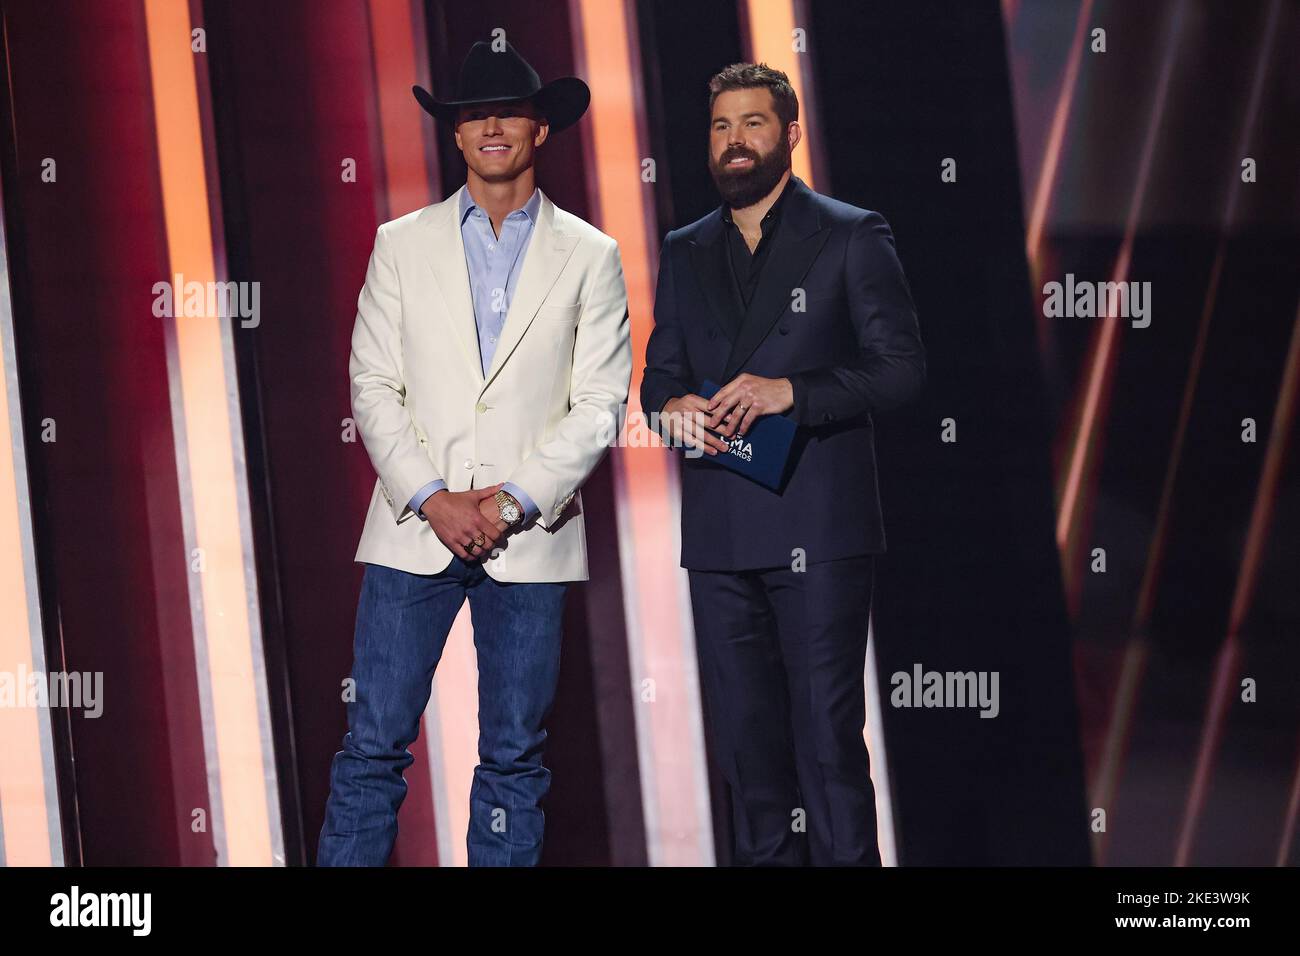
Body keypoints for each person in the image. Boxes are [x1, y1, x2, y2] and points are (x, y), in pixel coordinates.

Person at [317, 40, 631, 866]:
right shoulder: (400, 244)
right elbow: (372, 385)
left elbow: (600, 402)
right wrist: (433, 497)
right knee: (372, 749)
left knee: (514, 759)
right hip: (414, 529)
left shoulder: (592, 254)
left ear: (540, 129)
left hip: (529, 536)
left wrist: (509, 501)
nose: (491, 126)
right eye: (472, 115)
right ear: (455, 136)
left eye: (507, 113)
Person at [641, 62, 926, 865]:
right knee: (747, 752)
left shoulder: (850, 233)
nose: (735, 142)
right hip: (722, 531)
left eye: (753, 124)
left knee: (826, 739)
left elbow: (900, 369)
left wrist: (790, 392)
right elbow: (660, 376)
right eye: (721, 126)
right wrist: (669, 411)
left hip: (818, 523)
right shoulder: (685, 247)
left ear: (790, 133)